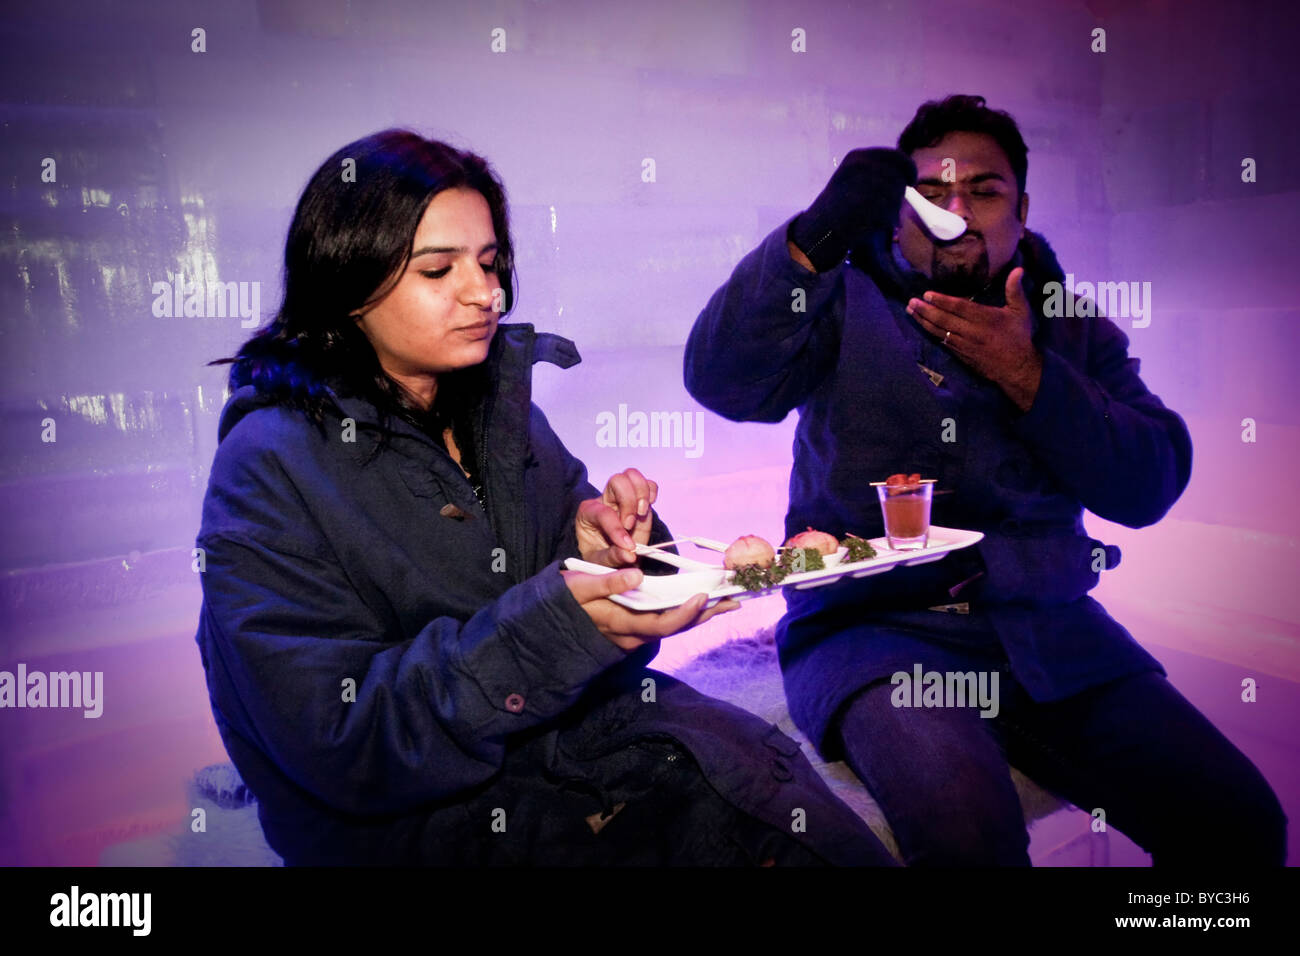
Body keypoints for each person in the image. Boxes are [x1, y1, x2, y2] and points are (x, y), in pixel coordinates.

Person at [194, 128, 897, 866]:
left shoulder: (500, 412)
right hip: (418, 824)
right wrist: (555, 631)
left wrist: (625, 551)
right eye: (439, 270)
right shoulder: (269, 467)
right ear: (345, 283)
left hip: (589, 742)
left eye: (491, 262)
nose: (486, 292)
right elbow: (339, 745)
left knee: (785, 812)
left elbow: (597, 641)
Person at [684, 95, 1287, 866]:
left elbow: (1151, 482)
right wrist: (809, 243)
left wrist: (1030, 376)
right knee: (969, 835)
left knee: (1240, 826)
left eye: (984, 190)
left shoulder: (1068, 324)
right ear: (900, 212)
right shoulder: (842, 297)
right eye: (932, 194)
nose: (957, 209)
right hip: (877, 633)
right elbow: (720, 381)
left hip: (1050, 634)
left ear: (1023, 209)